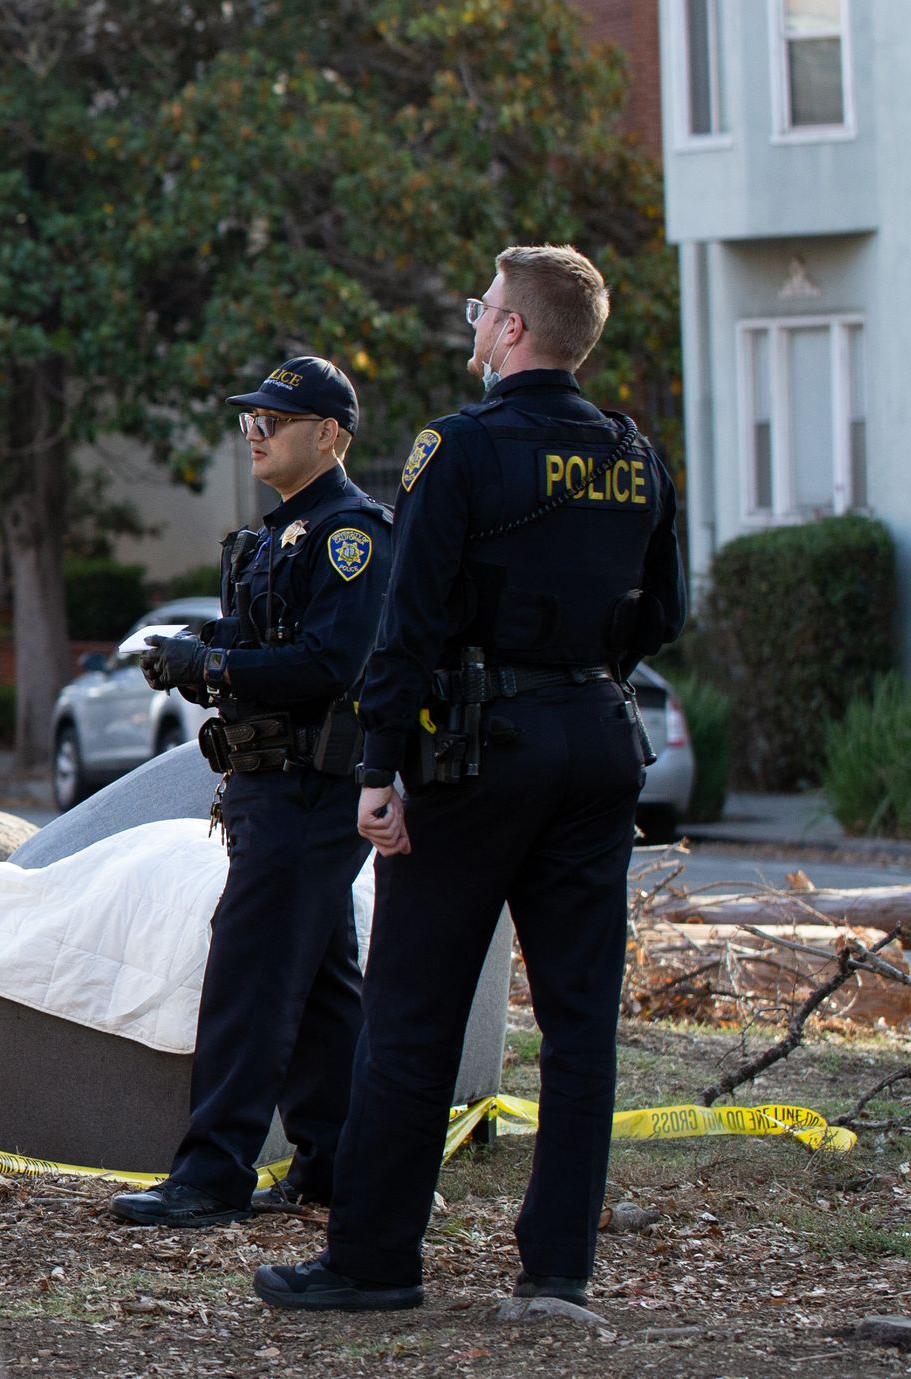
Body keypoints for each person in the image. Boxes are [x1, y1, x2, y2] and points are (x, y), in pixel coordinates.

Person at [255, 245, 686, 1313]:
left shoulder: (459, 446)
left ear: (512, 331)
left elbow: (408, 622)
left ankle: (371, 1259)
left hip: (477, 753)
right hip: (595, 740)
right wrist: (580, 672)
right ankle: (557, 1265)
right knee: (579, 1019)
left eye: (482, 309)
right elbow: (665, 611)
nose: (473, 323)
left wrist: (377, 765)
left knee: (410, 1009)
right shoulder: (633, 454)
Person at [107, 356, 391, 1230]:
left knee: (250, 970)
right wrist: (192, 647)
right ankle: (338, 1160)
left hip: (311, 782)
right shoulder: (275, 534)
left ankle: (213, 1172)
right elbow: (263, 634)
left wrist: (216, 663)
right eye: (250, 418)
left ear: (332, 434)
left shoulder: (352, 534)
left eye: (279, 417)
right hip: (270, 784)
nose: (257, 431)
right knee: (318, 980)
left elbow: (328, 662)